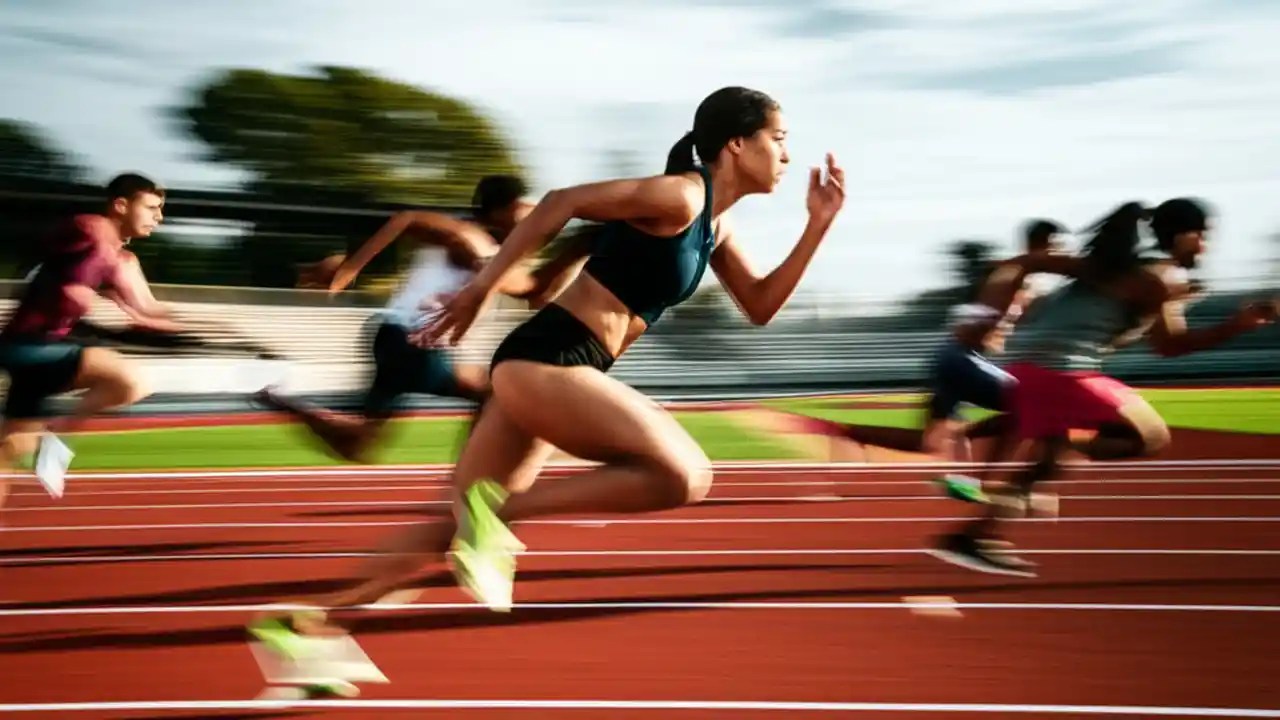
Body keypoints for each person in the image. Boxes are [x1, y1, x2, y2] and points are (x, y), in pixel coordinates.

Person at [249, 86, 846, 657]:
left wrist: (818, 225)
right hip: (552, 358)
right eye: (779, 138)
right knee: (685, 475)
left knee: (450, 525)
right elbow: (562, 201)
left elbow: (761, 305)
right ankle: (497, 517)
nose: (788, 154)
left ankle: (312, 631)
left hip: (546, 367)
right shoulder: (680, 196)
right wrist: (481, 290)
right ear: (737, 145)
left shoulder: (715, 224)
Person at [929, 198, 1277, 576]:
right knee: (1150, 437)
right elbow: (1172, 345)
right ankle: (1044, 453)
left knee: (1053, 461)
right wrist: (990, 312)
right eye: (1202, 236)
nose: (1206, 247)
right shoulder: (1153, 279)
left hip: (1040, 369)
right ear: (1182, 236)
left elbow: (1152, 339)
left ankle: (974, 536)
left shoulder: (1145, 275)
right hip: (1058, 371)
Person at [252, 175, 588, 462]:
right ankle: (469, 482)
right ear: (503, 209)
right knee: (497, 394)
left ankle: (279, 400)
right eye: (524, 206)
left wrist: (578, 251)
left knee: (357, 444)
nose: (532, 213)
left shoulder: (493, 252)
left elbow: (535, 292)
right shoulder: (470, 238)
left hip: (394, 339)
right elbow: (408, 219)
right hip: (415, 343)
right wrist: (351, 268)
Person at [778, 219, 1068, 503]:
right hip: (959, 358)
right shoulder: (1012, 272)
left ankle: (851, 434)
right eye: (1055, 247)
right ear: (1039, 244)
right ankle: (975, 474)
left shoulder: (1023, 282)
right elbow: (1016, 279)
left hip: (954, 356)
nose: (1061, 255)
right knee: (1027, 405)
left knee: (928, 443)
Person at [0, 173, 177, 509]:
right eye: (152, 207)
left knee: (10, 450)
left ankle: (45, 444)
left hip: (35, 353)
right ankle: (59, 437)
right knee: (131, 381)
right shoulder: (91, 227)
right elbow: (72, 284)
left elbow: (149, 309)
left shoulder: (123, 258)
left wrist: (208, 327)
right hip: (32, 346)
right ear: (121, 205)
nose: (159, 217)